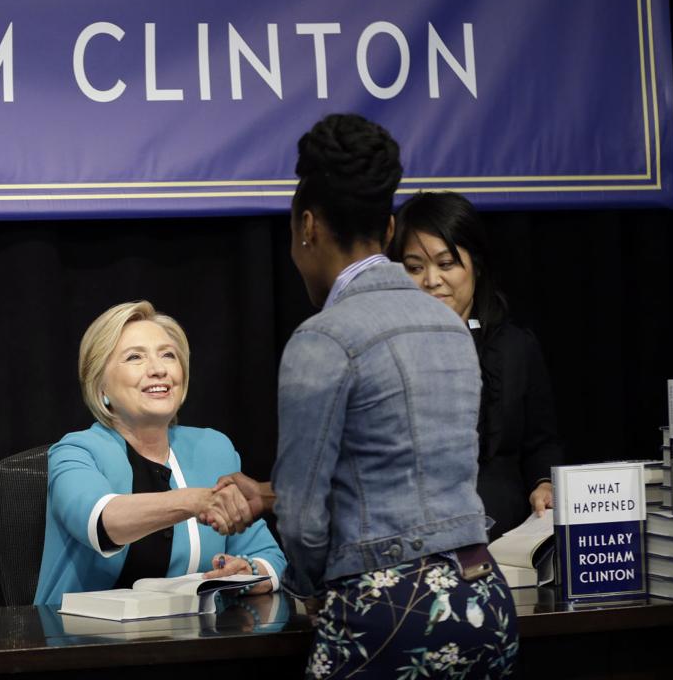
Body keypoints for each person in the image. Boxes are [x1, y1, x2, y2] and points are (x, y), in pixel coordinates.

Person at [221, 115, 517, 678]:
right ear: (387, 230)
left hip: (390, 613)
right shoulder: (450, 327)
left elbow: (306, 521)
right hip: (484, 600)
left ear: (307, 227)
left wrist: (308, 591)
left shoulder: (323, 339)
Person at [33, 301, 286, 608]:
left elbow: (271, 558)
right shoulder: (75, 452)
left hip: (193, 642)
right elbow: (103, 521)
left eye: (168, 355)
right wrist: (197, 501)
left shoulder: (213, 448)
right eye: (135, 357)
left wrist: (246, 572)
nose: (159, 369)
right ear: (101, 387)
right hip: (83, 644)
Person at [388, 191, 563, 538]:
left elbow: (541, 442)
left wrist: (544, 484)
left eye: (446, 263)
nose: (432, 280)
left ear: (476, 265)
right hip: (414, 540)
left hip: (507, 536)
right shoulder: (385, 352)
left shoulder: (515, 347)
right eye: (414, 268)